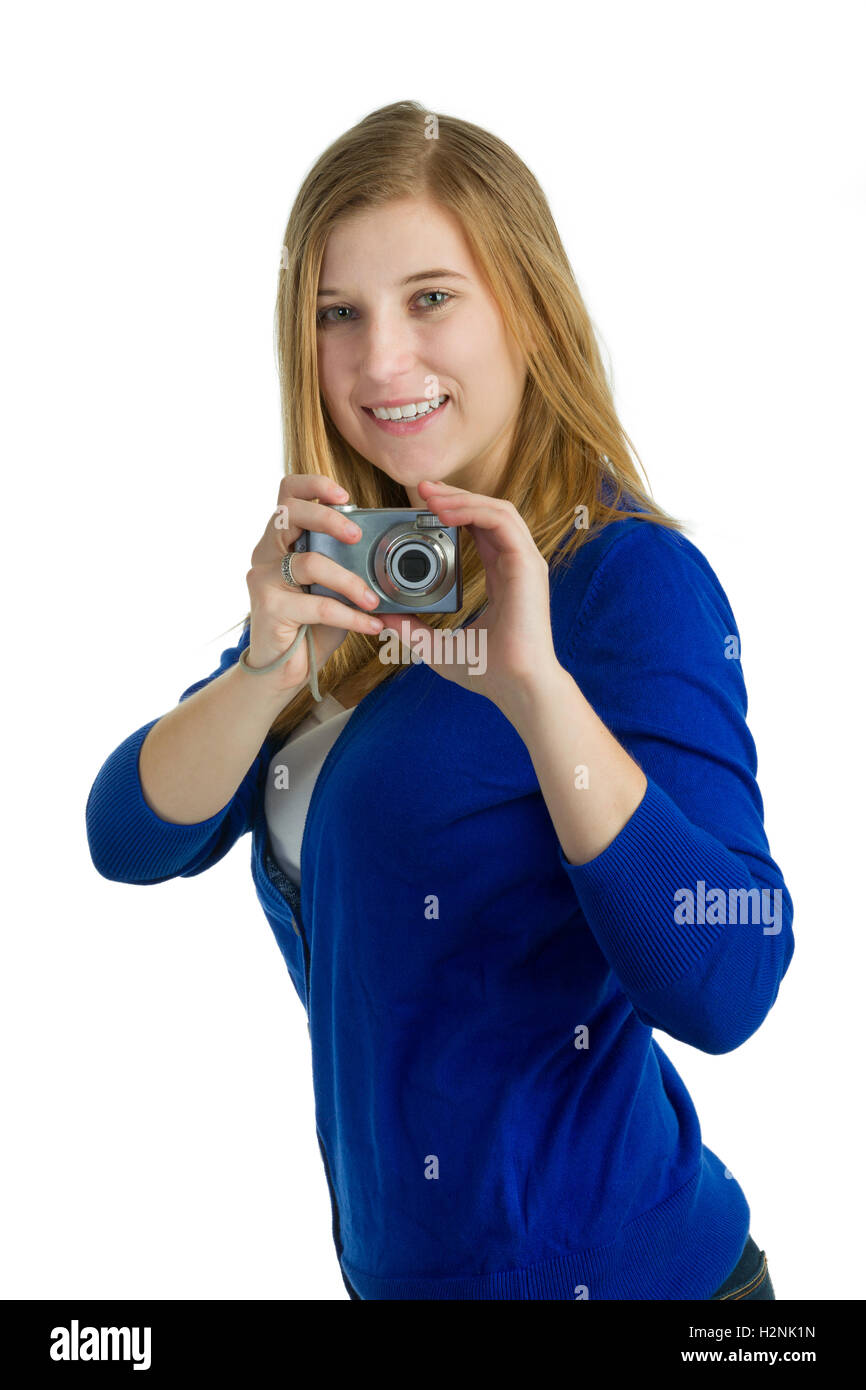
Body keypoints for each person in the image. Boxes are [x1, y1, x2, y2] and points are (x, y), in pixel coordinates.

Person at [86, 101, 793, 1300]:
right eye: (336, 315)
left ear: (525, 305)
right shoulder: (355, 578)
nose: (378, 363)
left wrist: (536, 693)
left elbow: (728, 978)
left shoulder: (623, 580)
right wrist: (266, 667)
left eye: (429, 298)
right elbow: (127, 835)